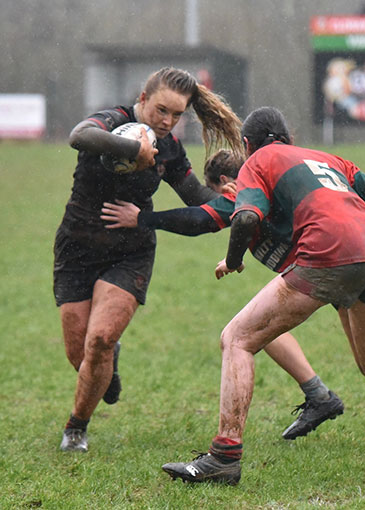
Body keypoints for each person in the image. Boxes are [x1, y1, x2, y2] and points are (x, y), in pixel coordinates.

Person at [161, 107, 365, 485]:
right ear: (289, 137)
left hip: (328, 251)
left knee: (237, 338)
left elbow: (247, 217)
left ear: (247, 145)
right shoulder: (326, 157)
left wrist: (235, 260)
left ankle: (224, 457)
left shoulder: (258, 161)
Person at [101, 150, 365, 439]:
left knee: (249, 335)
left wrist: (142, 219)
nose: (225, 199)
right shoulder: (279, 183)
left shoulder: (242, 194)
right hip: (353, 261)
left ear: (227, 183)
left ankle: (308, 401)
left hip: (326, 266)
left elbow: (199, 220)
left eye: (220, 192)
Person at [53, 67, 243, 453]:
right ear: (143, 99)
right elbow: (79, 136)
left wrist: (235, 201)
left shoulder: (169, 149)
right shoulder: (113, 120)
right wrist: (133, 151)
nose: (167, 121)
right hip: (77, 247)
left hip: (131, 251)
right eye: (161, 110)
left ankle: (76, 428)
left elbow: (195, 197)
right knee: (80, 353)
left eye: (177, 115)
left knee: (100, 339)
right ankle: (107, 365)